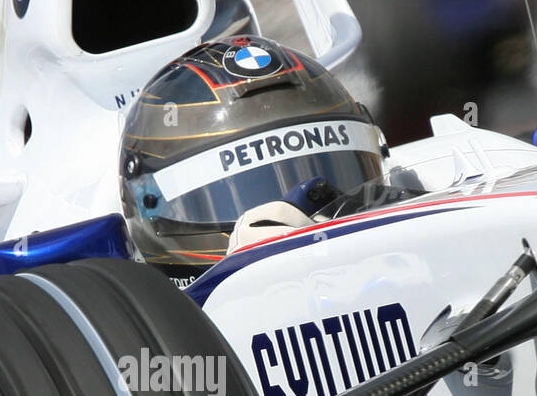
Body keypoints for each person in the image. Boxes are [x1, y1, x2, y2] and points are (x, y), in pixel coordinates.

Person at [119, 35, 397, 281]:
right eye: (251, 188)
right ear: (148, 204)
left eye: (337, 175)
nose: (312, 218)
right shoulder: (159, 337)